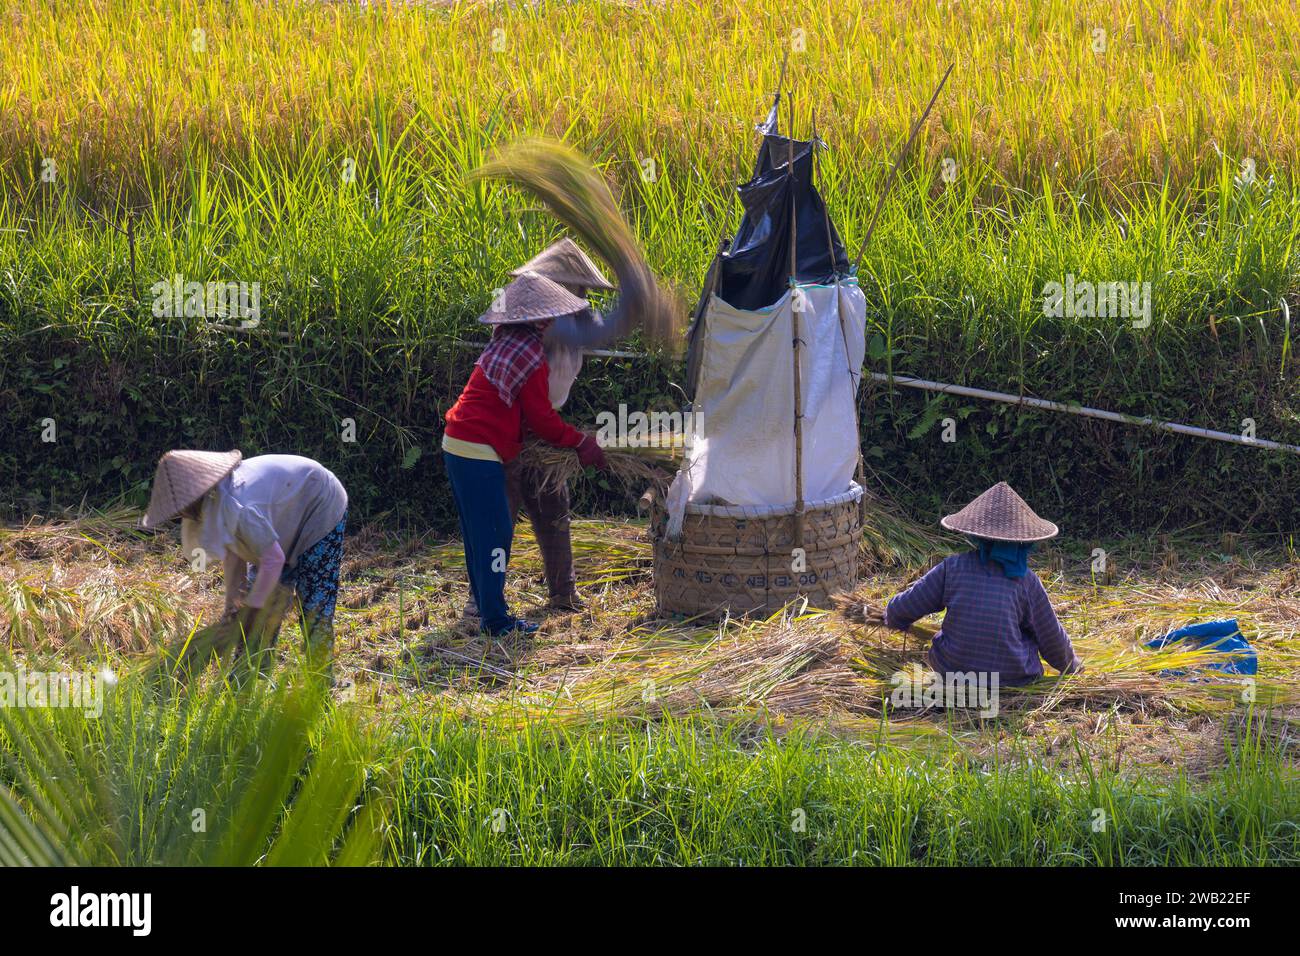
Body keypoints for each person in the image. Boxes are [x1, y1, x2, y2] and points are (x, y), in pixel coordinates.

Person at [442, 271, 608, 637]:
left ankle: (488, 611)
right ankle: (496, 620)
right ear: (542, 320)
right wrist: (581, 442)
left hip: (458, 443)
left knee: (479, 536)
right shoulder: (531, 356)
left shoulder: (505, 339)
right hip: (478, 448)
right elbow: (543, 420)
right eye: (553, 318)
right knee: (496, 534)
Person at [141, 450, 348, 675]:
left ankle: (319, 684)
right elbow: (235, 551)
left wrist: (253, 607)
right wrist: (233, 609)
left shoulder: (237, 504)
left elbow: (273, 558)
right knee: (255, 608)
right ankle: (248, 679)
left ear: (194, 495)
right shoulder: (213, 506)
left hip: (318, 502)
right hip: (279, 519)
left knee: (313, 604)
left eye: (180, 505)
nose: (179, 512)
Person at [882, 481, 1083, 686]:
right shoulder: (1026, 582)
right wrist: (1072, 665)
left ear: (977, 536)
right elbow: (1051, 638)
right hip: (1012, 681)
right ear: (1023, 542)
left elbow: (905, 607)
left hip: (953, 675)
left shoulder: (953, 568)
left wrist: (890, 616)